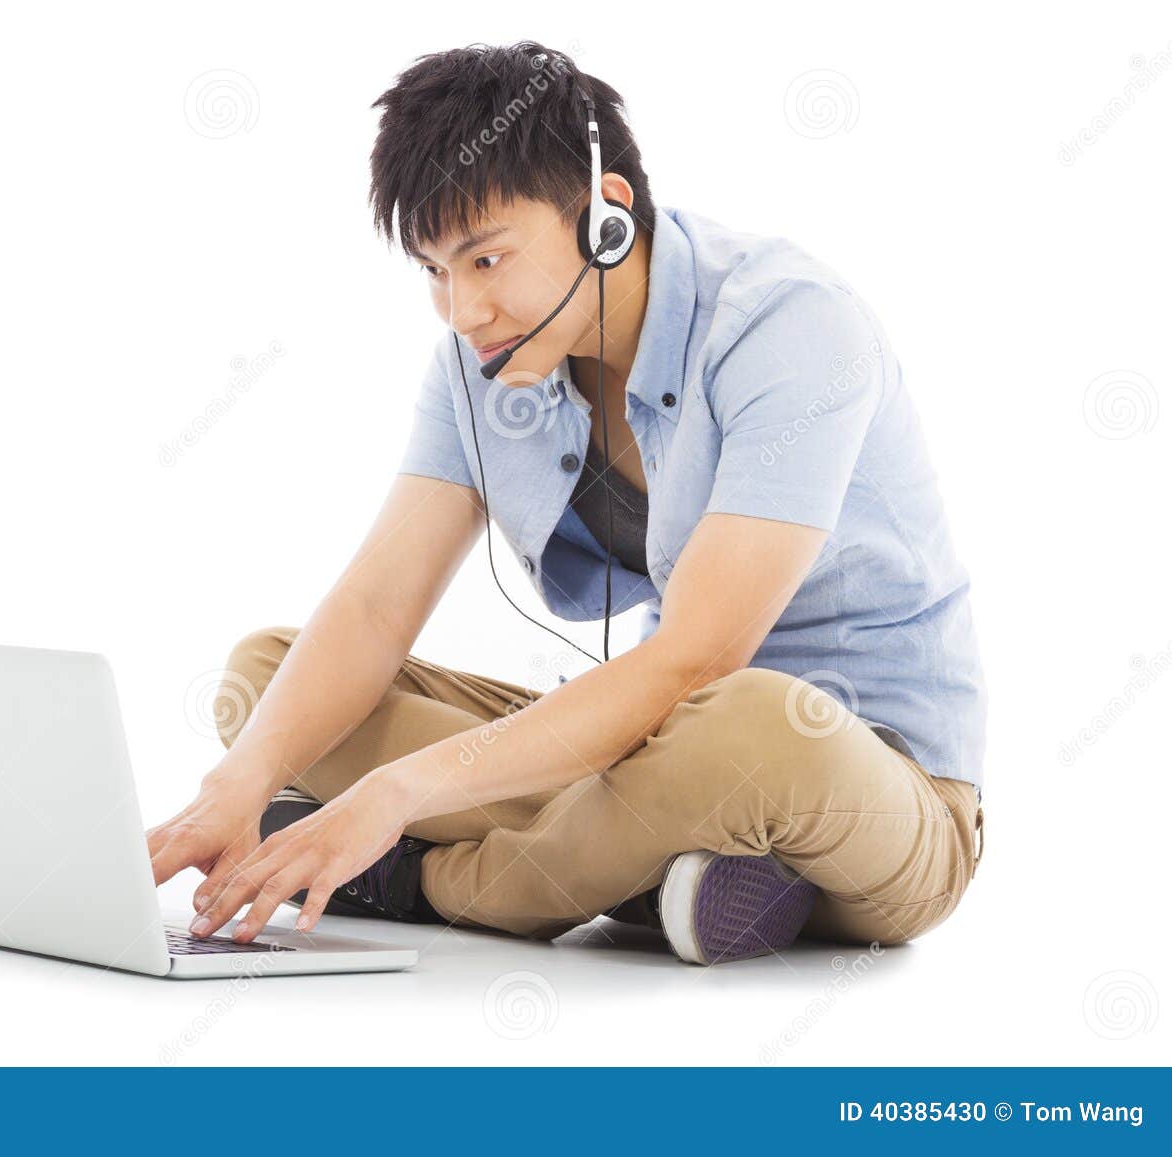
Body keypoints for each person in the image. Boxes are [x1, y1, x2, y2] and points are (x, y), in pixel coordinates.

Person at [146, 41, 986, 965]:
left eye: (487, 259)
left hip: (873, 783)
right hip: (657, 753)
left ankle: (416, 880)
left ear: (605, 219)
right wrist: (237, 782)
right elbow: (375, 605)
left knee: (754, 722)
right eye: (433, 270)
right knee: (267, 680)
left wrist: (393, 800)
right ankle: (672, 873)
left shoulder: (788, 324)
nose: (461, 311)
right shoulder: (479, 369)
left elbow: (696, 663)